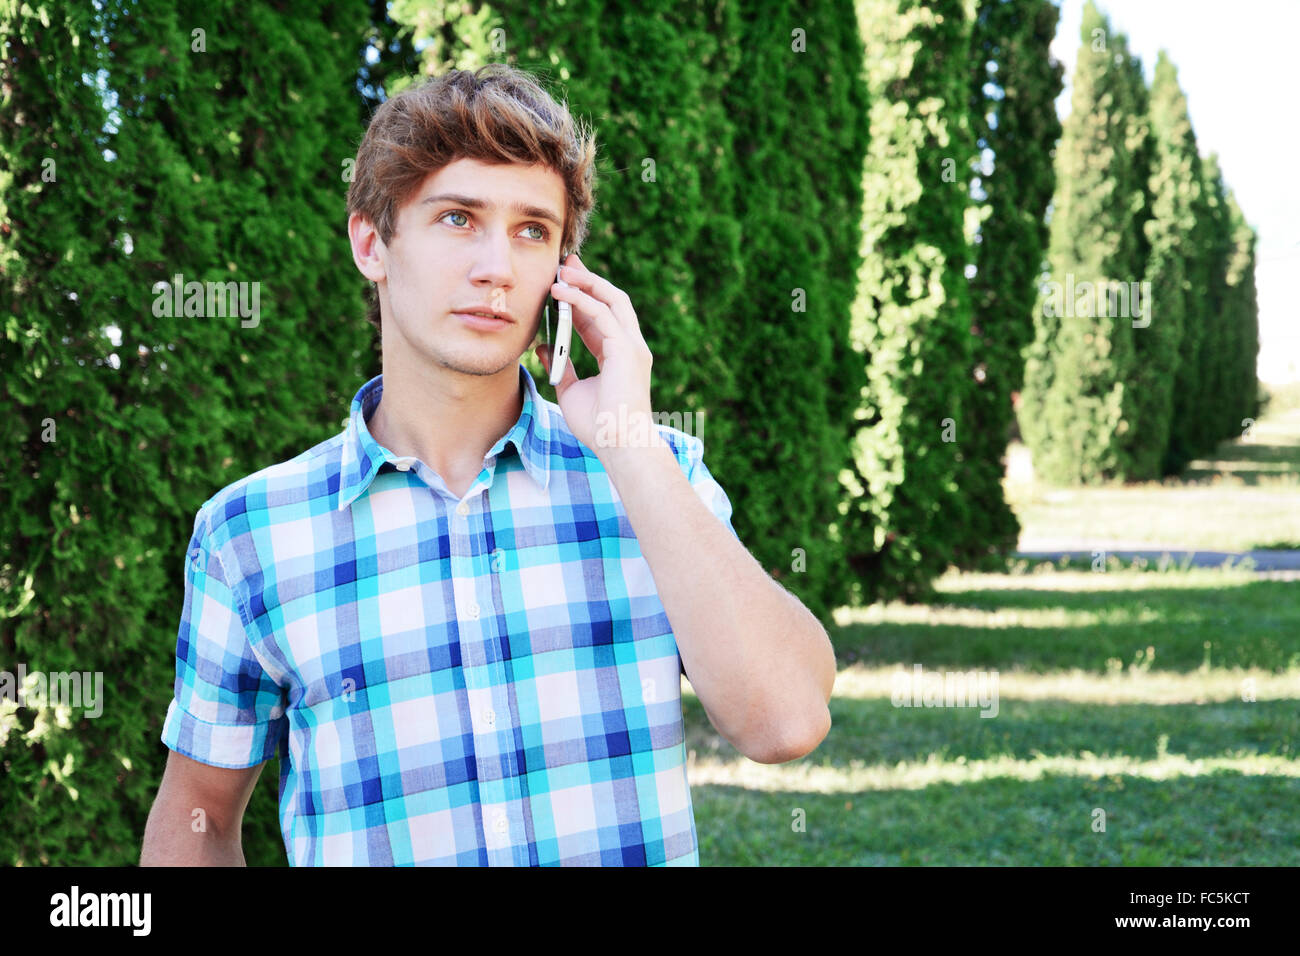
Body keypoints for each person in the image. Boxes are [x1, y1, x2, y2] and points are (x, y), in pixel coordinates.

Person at [140, 64, 835, 867]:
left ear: (564, 279)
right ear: (373, 243)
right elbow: (198, 813)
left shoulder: (654, 472)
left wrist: (629, 445)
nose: (497, 268)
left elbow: (785, 722)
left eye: (533, 230)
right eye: (458, 218)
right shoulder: (249, 533)